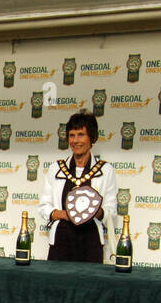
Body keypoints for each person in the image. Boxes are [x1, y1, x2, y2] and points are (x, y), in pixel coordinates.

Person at [38, 110, 118, 263]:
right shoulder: (56, 168)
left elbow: (111, 211)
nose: (75, 141)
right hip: (61, 240)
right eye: (71, 135)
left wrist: (93, 211)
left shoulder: (106, 170)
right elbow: (43, 207)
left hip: (91, 240)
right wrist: (64, 214)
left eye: (81, 134)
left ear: (92, 137)